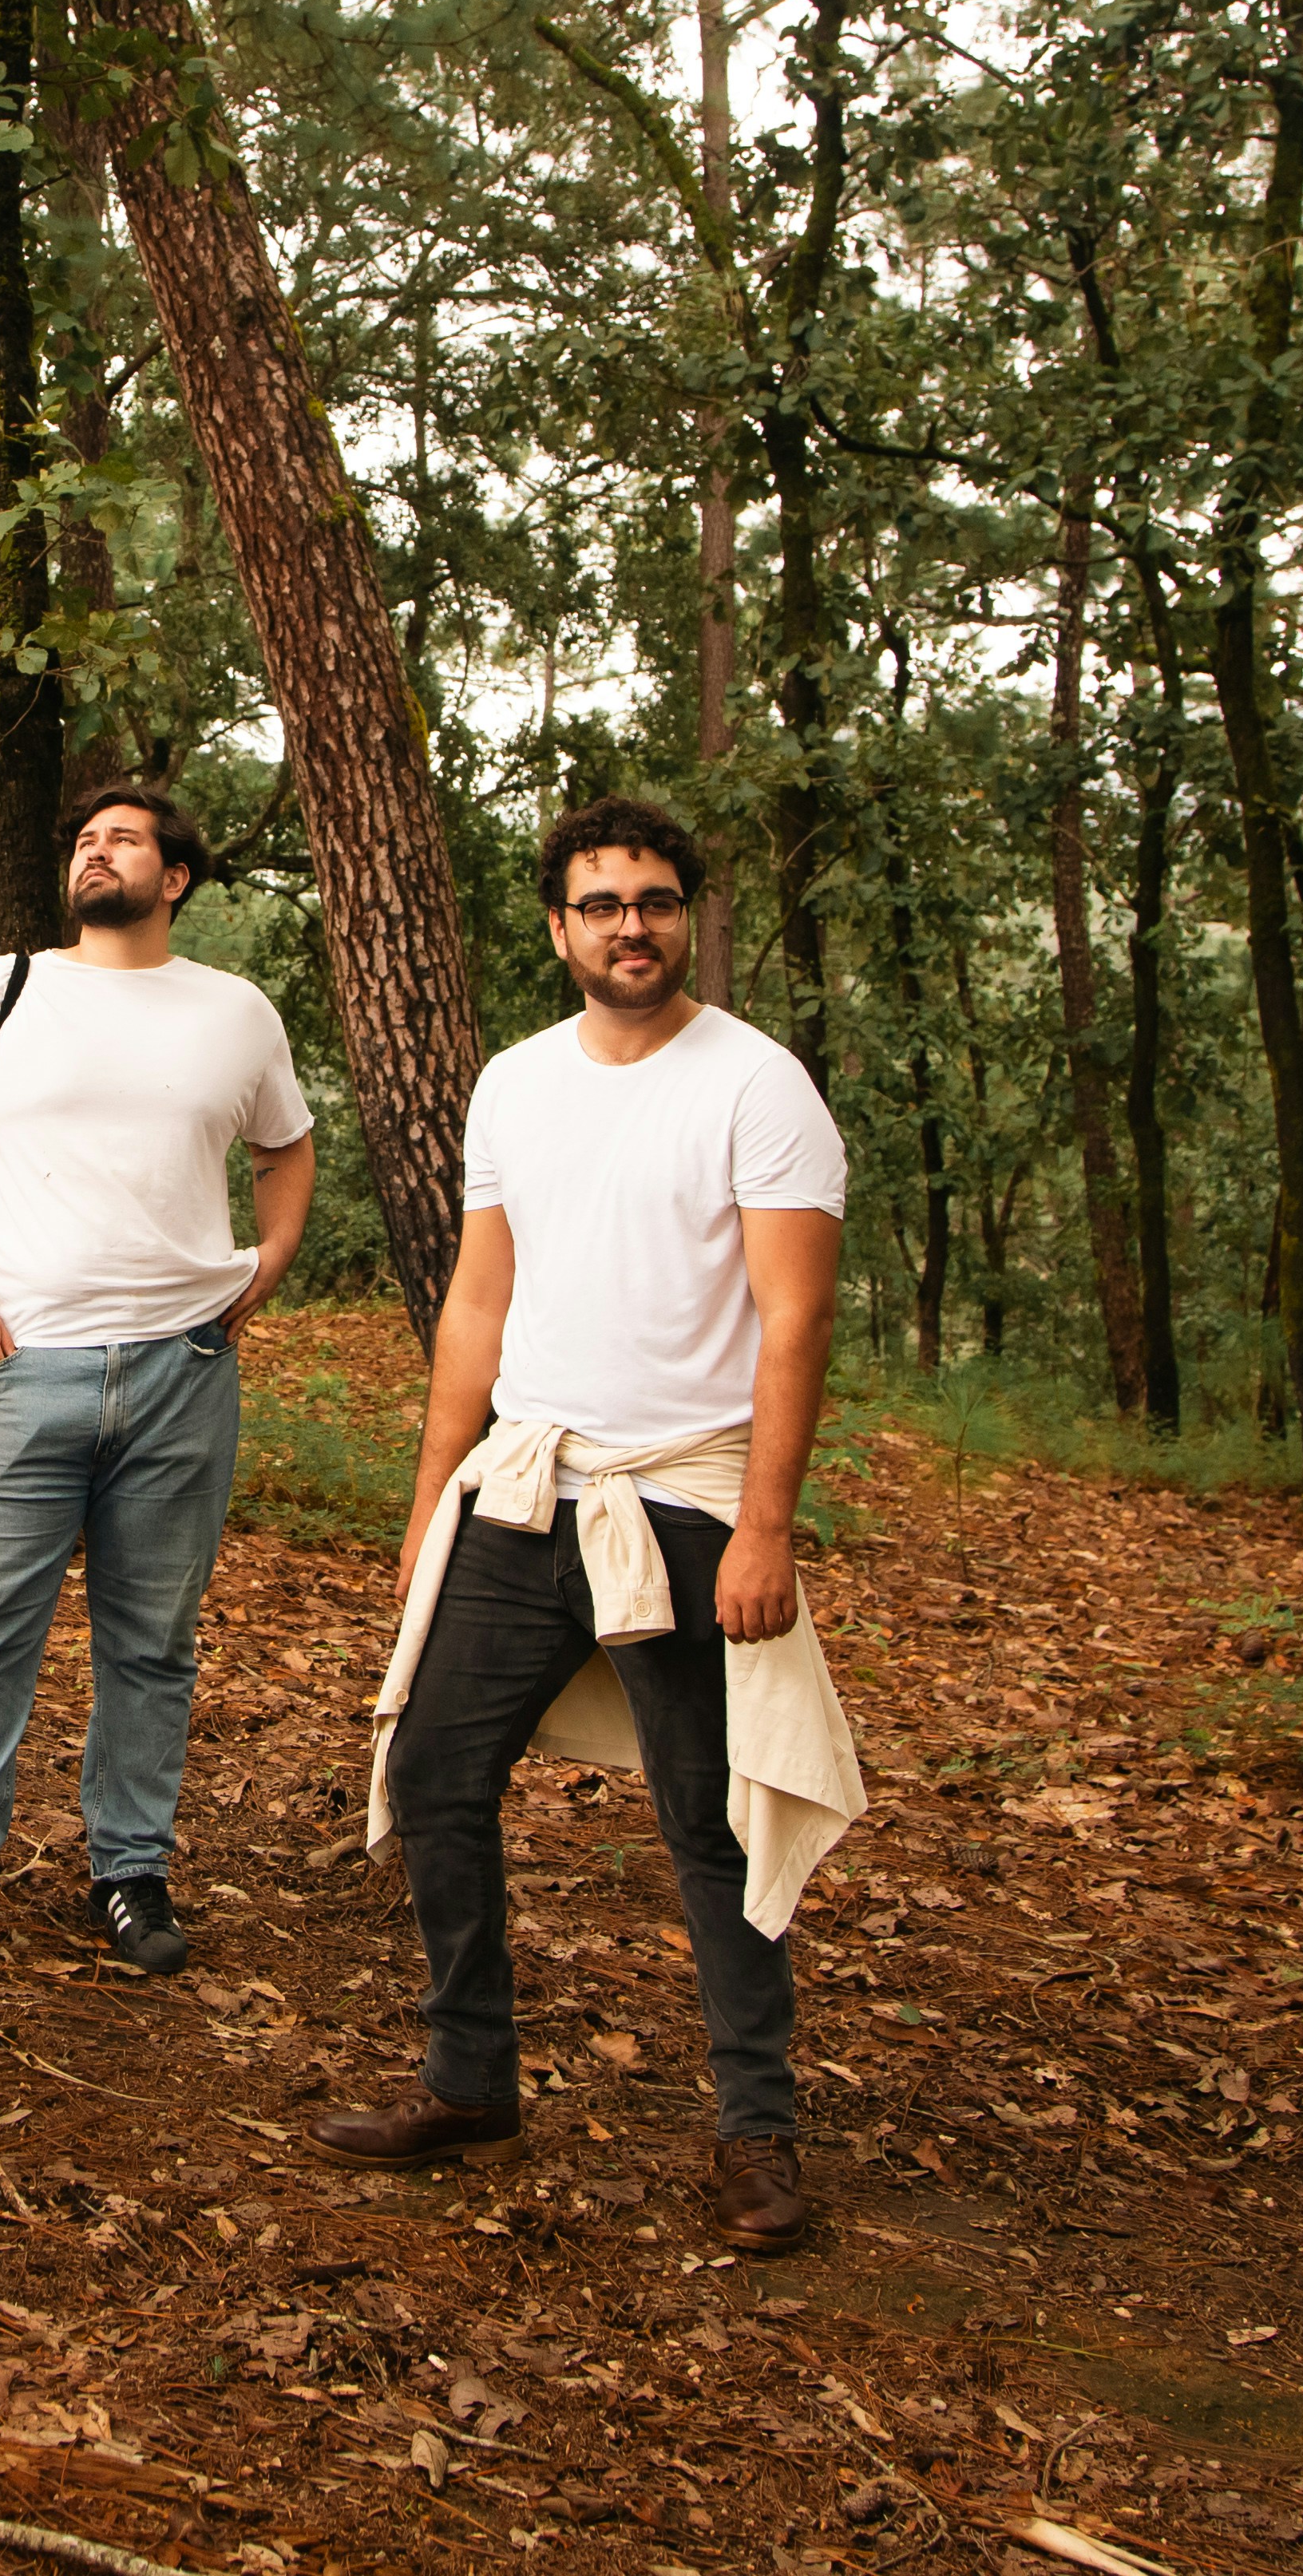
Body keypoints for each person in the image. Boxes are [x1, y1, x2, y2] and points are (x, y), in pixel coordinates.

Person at [311, 795, 862, 2257]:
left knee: (711, 1822)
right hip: (524, 1487)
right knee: (433, 1769)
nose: (636, 926)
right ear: (558, 927)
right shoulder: (514, 1085)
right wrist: (435, 1503)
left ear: (690, 917)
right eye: (605, 903)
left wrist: (766, 1528)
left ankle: (759, 2137)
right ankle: (468, 2082)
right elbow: (478, 1304)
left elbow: (795, 1317)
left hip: (682, 1496)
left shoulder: (759, 1087)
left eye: (660, 901)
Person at [0, 781, 318, 1977]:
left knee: (152, 1642)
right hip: (21, 1372)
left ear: (178, 878)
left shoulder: (236, 1013)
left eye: (126, 839)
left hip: (182, 1372)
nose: (98, 852)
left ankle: (131, 1874)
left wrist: (264, 1269)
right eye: (86, 837)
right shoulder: (3, 991)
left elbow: (288, 1146)